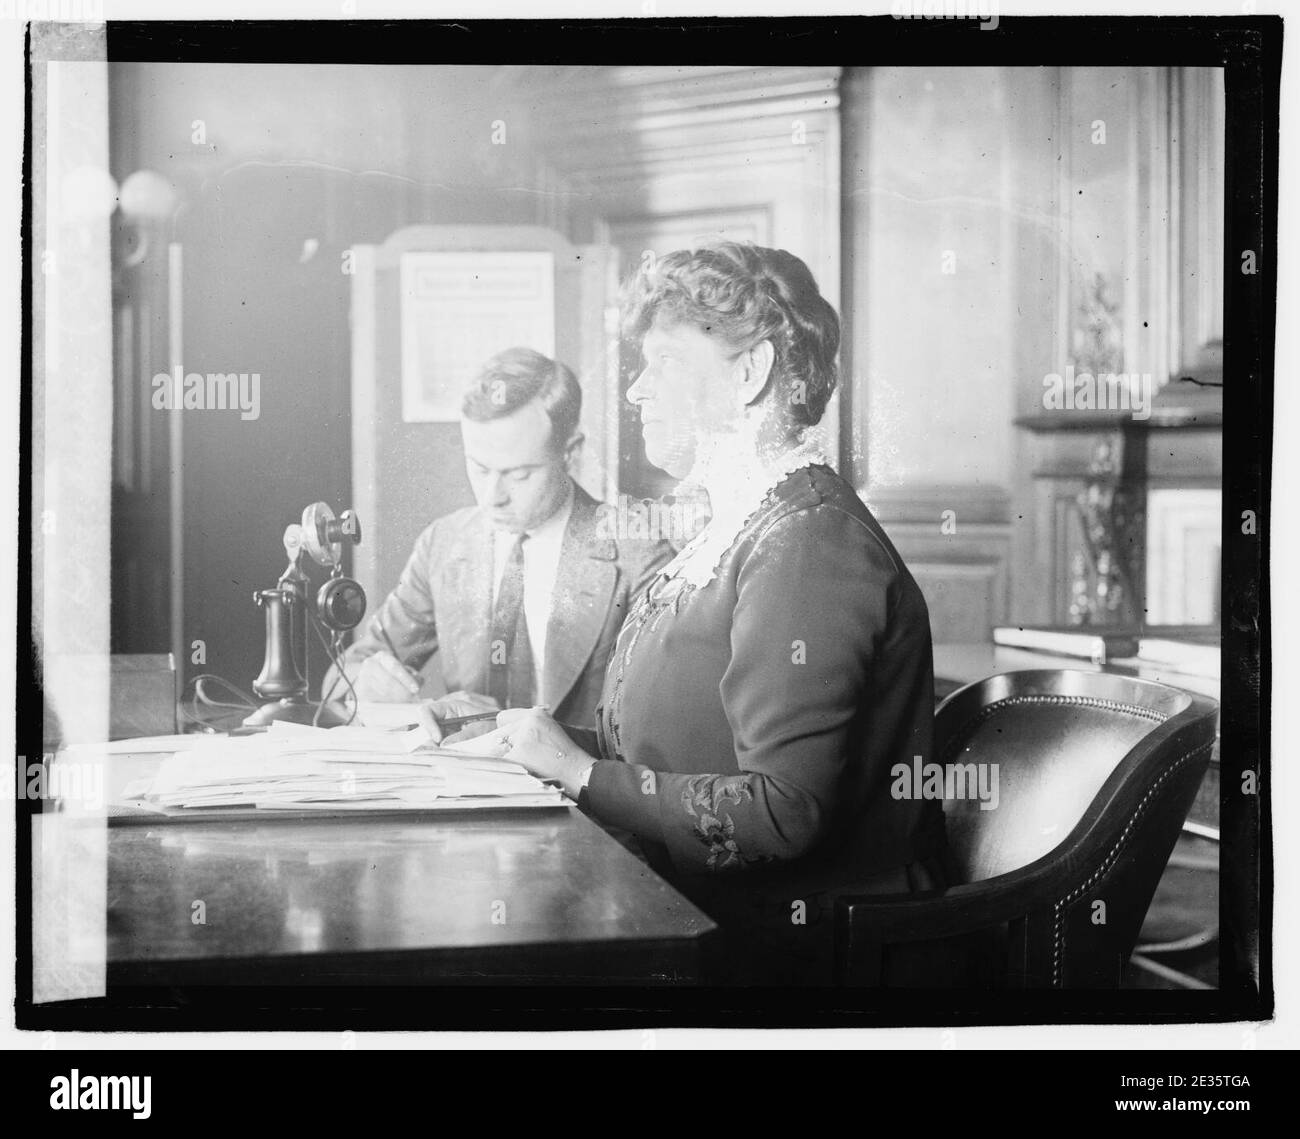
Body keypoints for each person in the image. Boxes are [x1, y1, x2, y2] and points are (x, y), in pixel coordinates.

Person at [473, 244, 948, 985]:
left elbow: (784, 813)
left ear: (750, 373)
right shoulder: (739, 525)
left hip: (796, 958)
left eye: (662, 361)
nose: (635, 390)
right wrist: (528, 740)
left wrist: (581, 774)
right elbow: (677, 745)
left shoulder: (808, 541)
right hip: (697, 909)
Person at [323, 347, 674, 733]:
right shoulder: (443, 543)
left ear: (570, 453)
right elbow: (342, 678)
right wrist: (367, 681)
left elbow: (659, 727)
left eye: (520, 474)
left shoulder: (637, 553)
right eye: (479, 468)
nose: (493, 496)